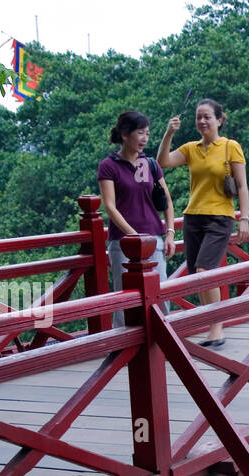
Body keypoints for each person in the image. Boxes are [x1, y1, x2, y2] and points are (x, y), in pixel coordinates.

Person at [158, 98, 249, 348]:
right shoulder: (190, 148)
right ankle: (210, 322)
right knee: (196, 275)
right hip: (193, 216)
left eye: (207, 116)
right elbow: (162, 162)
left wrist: (244, 217)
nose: (202, 121)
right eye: (199, 117)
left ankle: (217, 327)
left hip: (220, 216)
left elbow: (241, 185)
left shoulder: (231, 147)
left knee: (203, 271)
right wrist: (169, 133)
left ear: (219, 120)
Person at [97, 110, 175, 325]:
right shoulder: (109, 166)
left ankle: (163, 349)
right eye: (140, 133)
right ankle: (122, 353)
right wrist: (135, 237)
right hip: (123, 243)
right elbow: (110, 207)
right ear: (124, 134)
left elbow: (167, 201)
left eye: (147, 134)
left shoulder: (150, 164)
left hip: (154, 239)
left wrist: (170, 233)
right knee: (126, 302)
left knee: (160, 298)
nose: (144, 138)